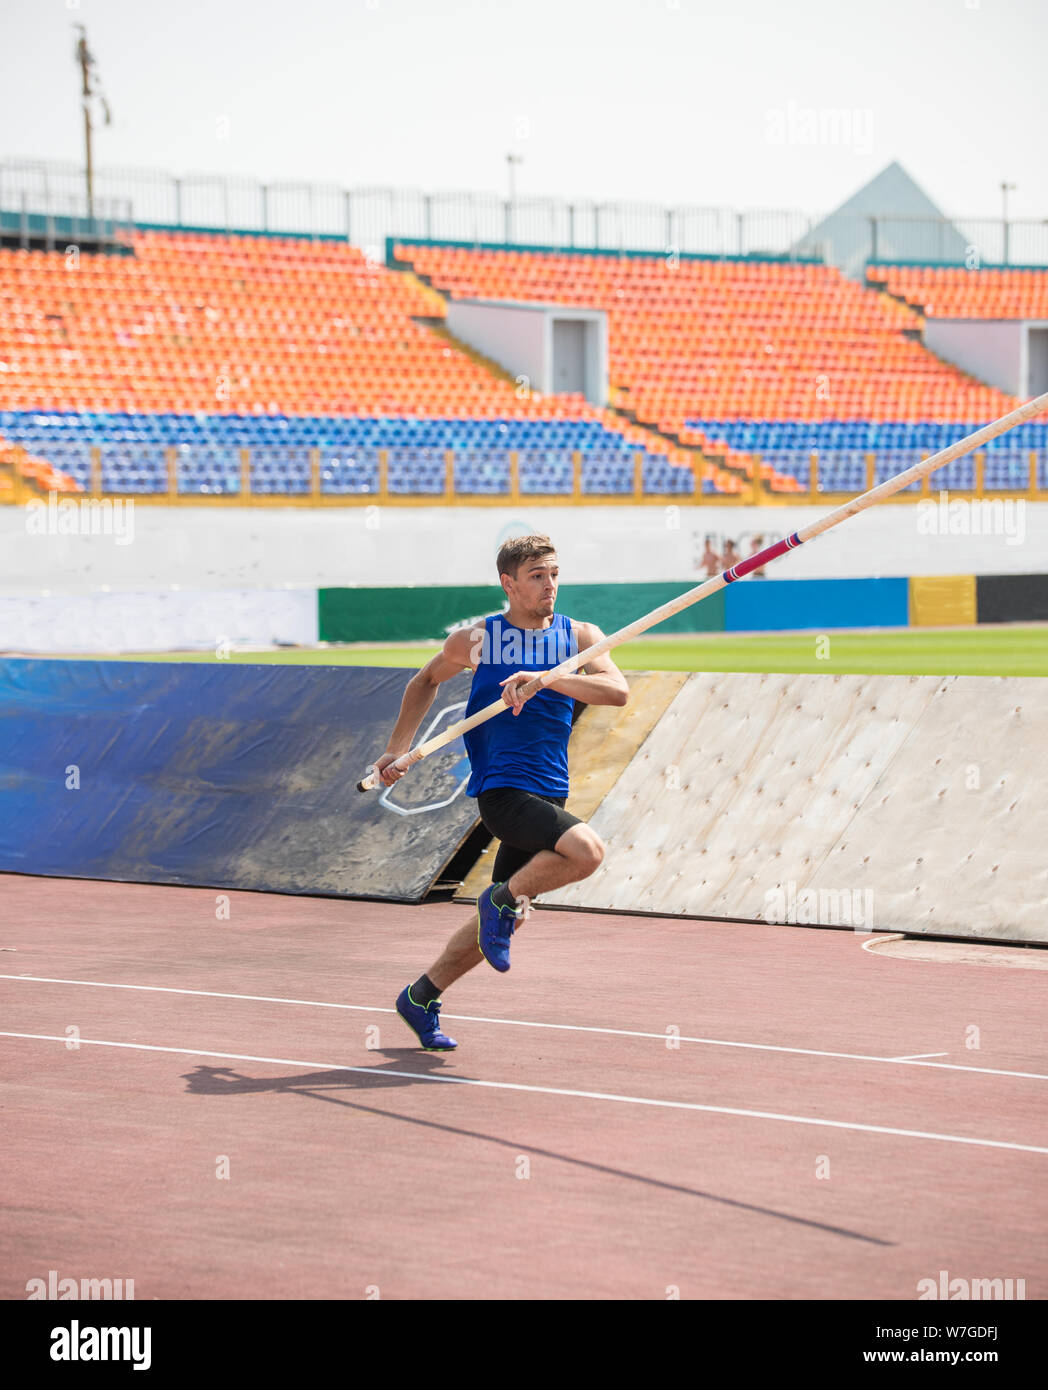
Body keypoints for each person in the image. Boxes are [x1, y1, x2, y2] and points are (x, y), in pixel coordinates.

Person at [371, 534, 629, 1050]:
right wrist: (397, 748)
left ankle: (421, 996)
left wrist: (549, 679)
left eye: (554, 574)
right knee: (587, 852)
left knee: (496, 928)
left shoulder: (580, 637)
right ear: (508, 583)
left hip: (551, 789)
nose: (549, 585)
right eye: (537, 576)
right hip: (503, 790)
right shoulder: (479, 641)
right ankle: (501, 900)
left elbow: (617, 692)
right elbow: (424, 682)